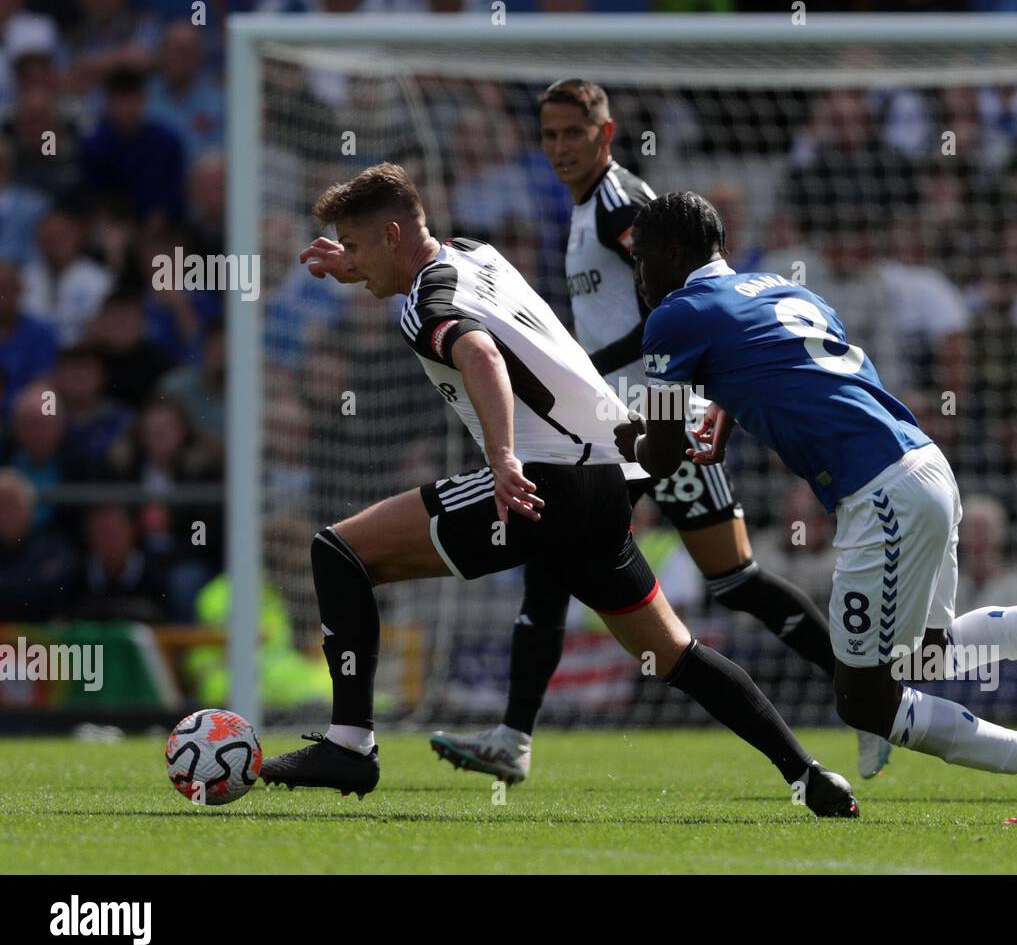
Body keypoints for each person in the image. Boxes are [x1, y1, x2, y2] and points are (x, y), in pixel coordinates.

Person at [259, 163, 858, 818]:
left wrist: (503, 456)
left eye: (355, 244)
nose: (350, 259)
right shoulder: (475, 256)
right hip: (607, 477)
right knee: (675, 651)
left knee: (339, 552)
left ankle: (350, 744)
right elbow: (456, 290)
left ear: (395, 234)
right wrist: (358, 268)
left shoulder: (426, 306)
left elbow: (481, 355)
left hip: (545, 480)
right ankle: (808, 774)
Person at [620, 190, 1017, 825]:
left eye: (640, 261)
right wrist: (726, 410)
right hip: (924, 465)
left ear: (671, 252)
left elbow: (661, 455)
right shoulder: (780, 288)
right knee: (928, 655)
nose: (638, 276)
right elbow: (800, 368)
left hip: (879, 494)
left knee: (865, 701)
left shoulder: (674, 317)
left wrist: (629, 440)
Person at [429, 79, 861, 782]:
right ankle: (513, 736)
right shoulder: (585, 209)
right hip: (621, 427)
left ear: (607, 133)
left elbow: (674, 301)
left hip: (650, 424)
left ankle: (865, 696)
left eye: (575, 133)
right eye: (550, 135)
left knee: (730, 580)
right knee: (625, 573)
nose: (561, 147)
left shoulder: (622, 207)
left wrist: (580, 369)